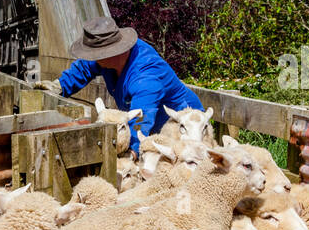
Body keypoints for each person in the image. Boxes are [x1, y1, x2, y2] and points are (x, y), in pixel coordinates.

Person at [38, 16, 204, 157]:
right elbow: (84, 68)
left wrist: (129, 151)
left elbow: (141, 120)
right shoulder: (108, 61)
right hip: (155, 129)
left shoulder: (146, 77)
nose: (91, 59)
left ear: (108, 53)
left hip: (186, 128)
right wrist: (59, 86)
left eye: (93, 55)